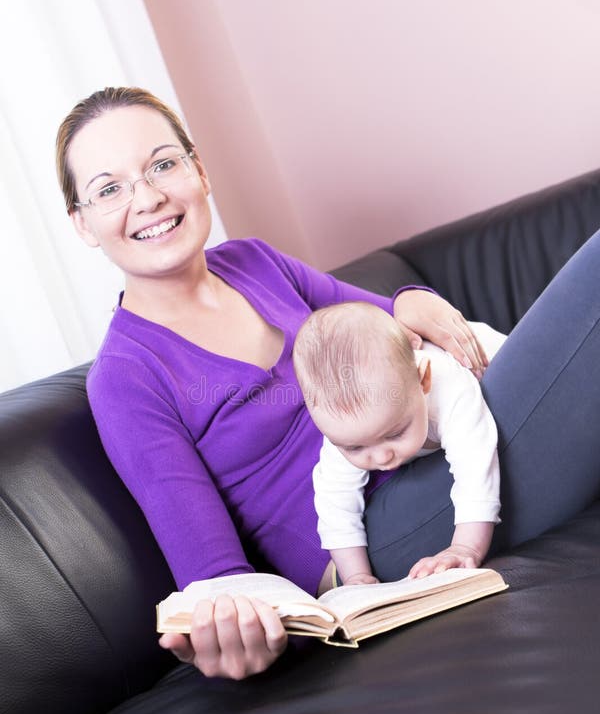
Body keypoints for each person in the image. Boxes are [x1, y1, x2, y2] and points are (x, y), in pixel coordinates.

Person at [56, 86, 600, 681]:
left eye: (164, 164)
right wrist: (236, 622)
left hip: (437, 459)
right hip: (369, 541)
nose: (150, 197)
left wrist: (412, 299)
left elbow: (389, 330)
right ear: (82, 224)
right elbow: (211, 571)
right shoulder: (126, 377)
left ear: (200, 170)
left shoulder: (256, 262)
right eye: (109, 189)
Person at [292, 302, 507, 585]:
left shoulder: (450, 389)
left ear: (423, 379)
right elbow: (335, 506)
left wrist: (465, 547)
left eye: (395, 434)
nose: (382, 458)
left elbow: (476, 467)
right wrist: (356, 576)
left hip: (496, 359)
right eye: (356, 448)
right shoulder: (345, 433)